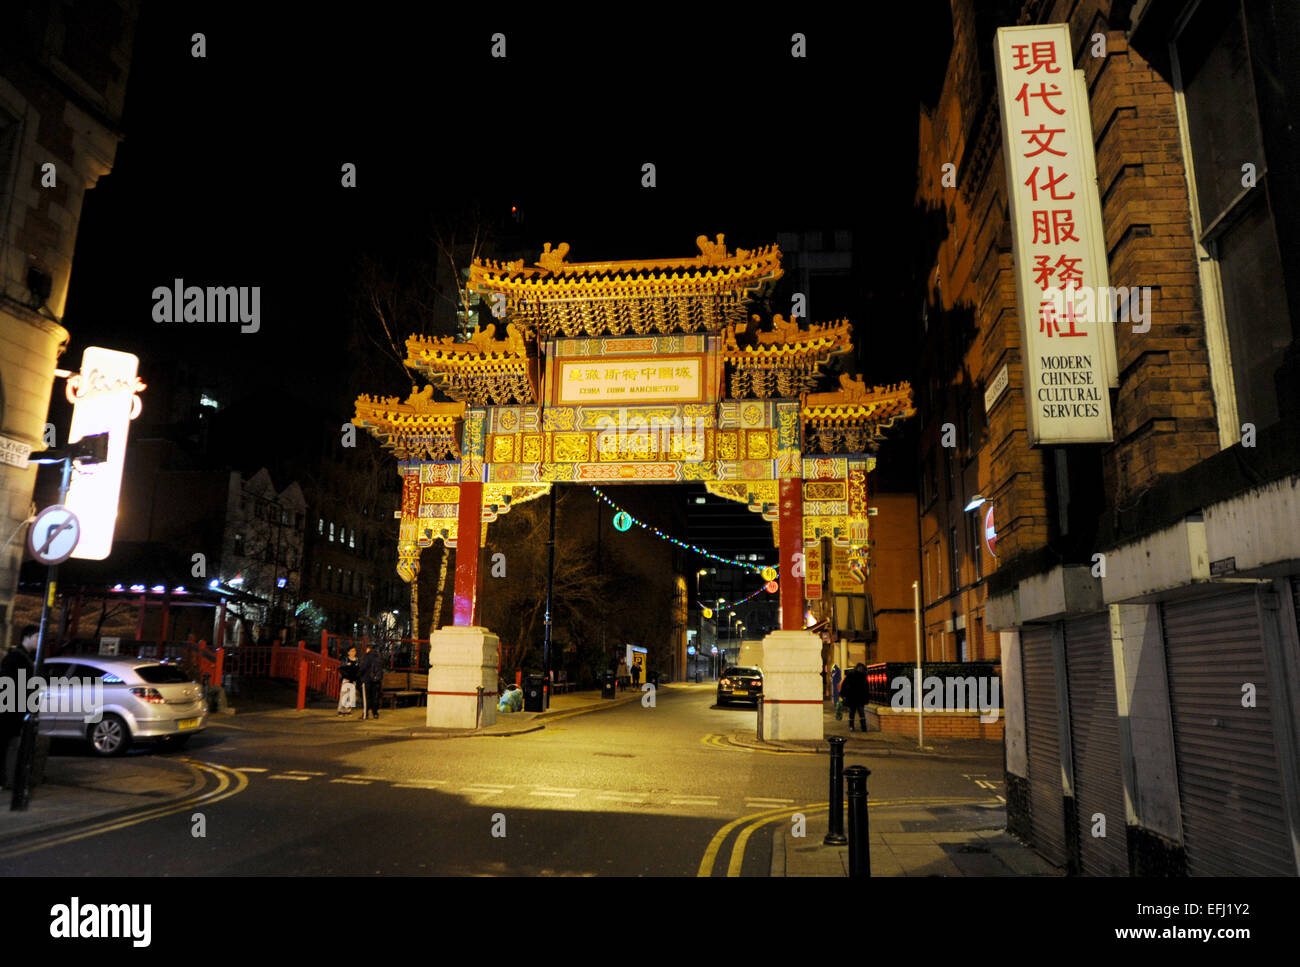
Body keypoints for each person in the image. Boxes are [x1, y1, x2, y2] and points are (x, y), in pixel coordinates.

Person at [1, 626, 39, 781]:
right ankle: (6, 778)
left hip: (15, 710)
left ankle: (7, 778)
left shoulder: (23, 657)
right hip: (11, 710)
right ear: (27, 637)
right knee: (8, 744)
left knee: (11, 744)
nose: (39, 640)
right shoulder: (17, 658)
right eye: (37, 636)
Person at [839, 662, 869, 732]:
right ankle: (862, 727)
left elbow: (844, 685)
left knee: (854, 713)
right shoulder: (862, 676)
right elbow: (866, 688)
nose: (860, 669)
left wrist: (843, 694)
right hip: (858, 698)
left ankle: (853, 726)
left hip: (853, 698)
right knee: (859, 713)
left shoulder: (852, 675)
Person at [358, 645, 384, 719]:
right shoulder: (379, 657)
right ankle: (375, 713)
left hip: (367, 679)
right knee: (375, 697)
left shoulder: (367, 656)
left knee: (366, 697)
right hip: (377, 681)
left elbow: (363, 667)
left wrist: (359, 675)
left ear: (368, 649)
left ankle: (365, 714)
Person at [337, 646, 359, 716]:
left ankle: (348, 710)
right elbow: (341, 669)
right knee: (344, 695)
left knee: (351, 696)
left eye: (354, 651)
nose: (353, 653)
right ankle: (341, 710)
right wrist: (347, 675)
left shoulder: (357, 660)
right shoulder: (345, 660)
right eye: (351, 651)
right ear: (348, 652)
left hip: (353, 680)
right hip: (346, 679)